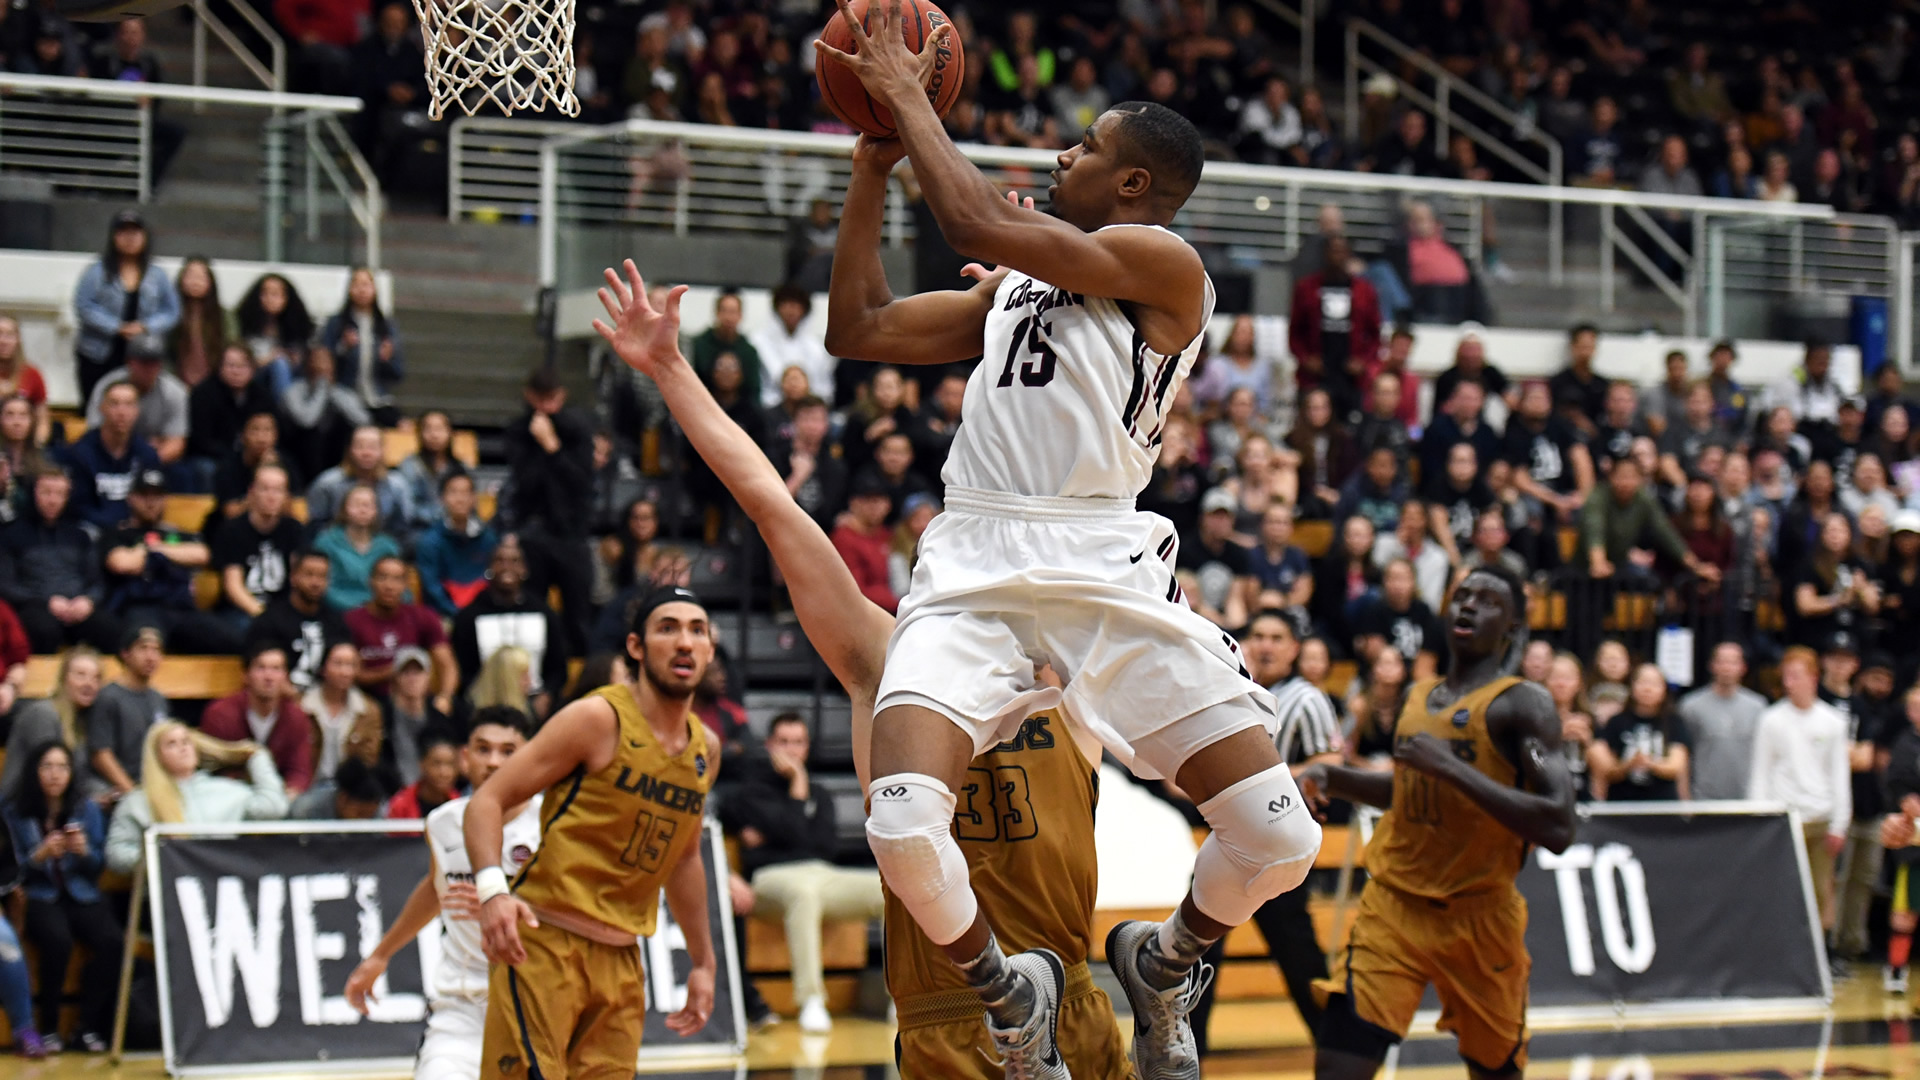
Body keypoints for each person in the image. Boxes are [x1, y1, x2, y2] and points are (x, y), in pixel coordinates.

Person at [590, 276, 1131, 1077]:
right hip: (951, 1019)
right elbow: (773, 505)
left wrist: (1033, 301)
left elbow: (1080, 474)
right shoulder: (891, 666)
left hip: (1074, 1011)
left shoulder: (1069, 673)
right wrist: (671, 368)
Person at [1297, 564, 1575, 1080]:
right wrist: (1328, 776)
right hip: (1395, 905)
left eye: (1487, 600)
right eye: (1462, 595)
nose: (1469, 605)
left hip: (1480, 916)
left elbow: (1559, 825)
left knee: (1495, 1071)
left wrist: (1451, 768)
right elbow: (1407, 788)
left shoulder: (1524, 704)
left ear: (1513, 626)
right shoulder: (1418, 695)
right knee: (1339, 1063)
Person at [461, 584, 717, 1073]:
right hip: (544, 944)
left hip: (622, 961)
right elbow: (487, 802)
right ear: (636, 648)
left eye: (696, 631)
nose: (684, 642)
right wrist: (493, 891)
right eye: (668, 629)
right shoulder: (597, 718)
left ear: (709, 650)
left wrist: (703, 963)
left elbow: (684, 858)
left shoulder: (707, 749)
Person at [343, 708, 538, 1080]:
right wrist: (380, 955)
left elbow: (577, 915)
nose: (494, 761)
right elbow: (436, 889)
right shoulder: (443, 822)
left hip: (537, 1001)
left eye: (508, 751)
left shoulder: (552, 825)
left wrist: (504, 910)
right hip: (463, 1006)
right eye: (483, 749)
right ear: (465, 758)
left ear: (530, 757)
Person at [721, 713, 883, 1034]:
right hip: (769, 880)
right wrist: (797, 784)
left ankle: (899, 997)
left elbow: (824, 847)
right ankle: (811, 1000)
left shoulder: (821, 794)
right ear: (769, 745)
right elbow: (797, 833)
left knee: (890, 890)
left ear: (807, 747)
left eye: (798, 742)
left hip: (821, 872)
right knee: (802, 893)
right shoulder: (752, 790)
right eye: (783, 742)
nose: (791, 750)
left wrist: (777, 830)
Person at [2, 741, 119, 1052]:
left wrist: (84, 853)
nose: (55, 774)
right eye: (47, 766)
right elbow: (12, 870)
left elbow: (98, 864)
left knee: (112, 941)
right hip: (39, 893)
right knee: (57, 940)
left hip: (80, 890)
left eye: (62, 767)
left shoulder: (88, 808)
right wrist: (38, 856)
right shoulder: (15, 812)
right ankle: (50, 1027)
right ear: (34, 772)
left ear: (72, 772)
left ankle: (87, 1027)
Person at [1751, 647, 1852, 930]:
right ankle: (1779, 950)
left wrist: (1839, 824)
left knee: (1822, 889)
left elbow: (1839, 775)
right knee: (1779, 888)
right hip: (1782, 818)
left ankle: (1822, 955)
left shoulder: (1832, 721)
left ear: (1813, 678)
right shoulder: (1771, 719)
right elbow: (1761, 772)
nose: (1789, 683)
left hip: (1820, 818)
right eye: (1785, 677)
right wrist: (1758, 815)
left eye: (1795, 676)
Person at [105, 721, 288, 873]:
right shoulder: (137, 802)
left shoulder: (225, 791)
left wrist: (257, 757)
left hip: (222, 887)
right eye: (172, 743)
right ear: (157, 756)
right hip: (166, 897)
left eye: (186, 741)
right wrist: (157, 857)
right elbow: (116, 855)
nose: (182, 748)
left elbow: (273, 807)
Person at [505, 367, 596, 656]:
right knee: (532, 611)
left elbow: (582, 481)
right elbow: (525, 482)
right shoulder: (519, 431)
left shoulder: (578, 430)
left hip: (572, 533)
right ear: (529, 396)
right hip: (534, 530)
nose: (546, 408)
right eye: (540, 400)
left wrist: (551, 446)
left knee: (578, 615)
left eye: (552, 399)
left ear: (562, 396)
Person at [103, 469, 241, 654]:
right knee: (145, 644)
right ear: (131, 498)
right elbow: (122, 563)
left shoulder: (177, 533)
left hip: (182, 609)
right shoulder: (118, 534)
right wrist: (172, 553)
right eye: (144, 496)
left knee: (235, 642)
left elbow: (202, 554)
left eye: (157, 496)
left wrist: (154, 549)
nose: (151, 503)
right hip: (142, 608)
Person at [0, 468, 119, 654]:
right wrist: (45, 601)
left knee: (109, 629)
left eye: (59, 494)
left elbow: (97, 581)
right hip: (35, 606)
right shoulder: (11, 534)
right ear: (34, 492)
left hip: (77, 607)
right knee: (42, 629)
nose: (53, 500)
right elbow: (6, 585)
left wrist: (88, 600)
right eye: (46, 492)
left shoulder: (80, 536)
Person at [451, 535, 569, 715]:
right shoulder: (469, 617)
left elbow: (558, 668)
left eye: (514, 561)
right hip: (486, 703)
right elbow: (464, 671)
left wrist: (547, 695)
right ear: (489, 568)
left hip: (534, 701)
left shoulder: (544, 613)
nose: (507, 567)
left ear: (524, 569)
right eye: (500, 561)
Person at [71, 210, 178, 405]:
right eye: (123, 232)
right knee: (96, 405)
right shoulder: (96, 271)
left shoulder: (158, 274)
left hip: (142, 355)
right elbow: (84, 306)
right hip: (98, 353)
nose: (130, 238)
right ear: (114, 237)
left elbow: (171, 311)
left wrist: (146, 327)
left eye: (135, 233)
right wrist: (117, 327)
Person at [199, 643, 315, 795]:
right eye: (261, 668)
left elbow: (299, 771)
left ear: (285, 676)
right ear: (245, 675)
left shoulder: (296, 716)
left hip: (280, 797)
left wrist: (288, 797)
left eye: (276, 669)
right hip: (229, 796)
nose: (269, 677)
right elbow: (211, 767)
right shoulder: (220, 714)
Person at [347, 555, 457, 706]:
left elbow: (447, 664)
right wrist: (395, 670)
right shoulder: (351, 620)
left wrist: (445, 697)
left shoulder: (424, 617)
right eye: (382, 577)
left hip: (414, 700)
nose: (389, 586)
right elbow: (350, 675)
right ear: (370, 581)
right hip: (367, 700)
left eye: (397, 579)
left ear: (406, 585)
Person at [0, 648, 102, 802]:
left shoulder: (82, 720)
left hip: (60, 805)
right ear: (64, 679)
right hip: (21, 808)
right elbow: (48, 776)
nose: (89, 683)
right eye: (81, 675)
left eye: (96, 678)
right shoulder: (43, 713)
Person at [213, 464, 305, 629]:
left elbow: (298, 579)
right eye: (265, 489)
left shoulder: (294, 530)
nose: (271, 496)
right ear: (251, 492)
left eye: (278, 490)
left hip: (282, 610)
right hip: (240, 611)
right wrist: (263, 616)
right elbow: (233, 586)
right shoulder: (232, 529)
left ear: (286, 496)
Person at [63, 381, 162, 531]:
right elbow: (78, 506)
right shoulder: (80, 453)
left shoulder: (147, 454)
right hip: (94, 528)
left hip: (136, 528)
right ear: (102, 408)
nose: (121, 412)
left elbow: (155, 498)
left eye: (128, 404)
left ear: (137, 410)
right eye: (114, 404)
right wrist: (113, 525)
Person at [1677, 641, 1767, 800]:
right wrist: (1686, 798)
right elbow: (1683, 756)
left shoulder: (1758, 706)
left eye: (1733, 662)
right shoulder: (1691, 706)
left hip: (1747, 797)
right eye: (1722, 661)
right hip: (1704, 798)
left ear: (1743, 667)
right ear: (1712, 665)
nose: (1727, 668)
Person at [1587, 664, 1690, 802]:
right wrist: (1628, 765)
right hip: (1622, 805)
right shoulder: (1616, 722)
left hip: (1663, 804)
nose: (1648, 689)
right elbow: (1606, 769)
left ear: (1664, 689)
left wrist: (1650, 764)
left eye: (1654, 684)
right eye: (1643, 682)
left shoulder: (1674, 722)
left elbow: (1676, 765)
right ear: (1632, 686)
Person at [319, 267, 404, 425]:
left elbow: (398, 373)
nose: (362, 290)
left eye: (366, 284)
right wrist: (344, 348)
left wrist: (387, 359)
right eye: (356, 284)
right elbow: (322, 363)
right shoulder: (337, 323)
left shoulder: (387, 326)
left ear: (374, 289)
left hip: (378, 397)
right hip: (344, 393)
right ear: (349, 289)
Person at [414, 470, 496, 618]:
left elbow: (492, 580)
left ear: (474, 499)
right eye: (453, 492)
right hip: (443, 616)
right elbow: (432, 588)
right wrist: (459, 615)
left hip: (483, 614)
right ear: (442, 498)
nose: (460, 499)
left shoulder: (488, 538)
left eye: (465, 493)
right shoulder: (430, 541)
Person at [307, 426, 414, 539]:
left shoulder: (397, 485)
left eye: (372, 447)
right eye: (360, 447)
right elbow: (316, 523)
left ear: (383, 450)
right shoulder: (327, 483)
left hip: (384, 544)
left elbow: (404, 524)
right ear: (349, 449)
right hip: (337, 544)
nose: (366, 453)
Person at [313, 484, 402, 613]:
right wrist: (358, 609)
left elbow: (400, 586)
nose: (362, 510)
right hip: (337, 612)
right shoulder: (326, 543)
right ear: (344, 509)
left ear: (376, 511)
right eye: (356, 505)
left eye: (368, 505)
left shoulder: (388, 546)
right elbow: (323, 585)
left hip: (380, 612)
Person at [236, 273, 314, 395]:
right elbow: (241, 360)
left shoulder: (297, 325)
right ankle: (284, 411)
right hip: (254, 376)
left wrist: (293, 358)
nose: (269, 299)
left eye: (275, 294)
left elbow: (301, 360)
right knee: (279, 363)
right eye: (265, 294)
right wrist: (271, 358)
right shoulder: (245, 323)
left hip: (293, 379)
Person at [167, 255, 230, 389]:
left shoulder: (224, 315)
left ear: (210, 282)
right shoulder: (169, 314)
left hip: (215, 384)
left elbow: (230, 348)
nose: (196, 281)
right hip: (175, 383)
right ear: (181, 280)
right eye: (190, 276)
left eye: (201, 277)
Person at [397, 410, 461, 533]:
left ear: (450, 433)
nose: (434, 435)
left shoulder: (461, 468)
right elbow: (409, 508)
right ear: (420, 434)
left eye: (439, 429)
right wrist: (440, 517)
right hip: (419, 529)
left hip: (455, 529)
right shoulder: (409, 465)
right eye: (428, 429)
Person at [384, 731, 462, 819]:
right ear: (422, 764)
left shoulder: (460, 804)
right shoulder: (400, 805)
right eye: (436, 763)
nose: (443, 773)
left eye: (450, 764)